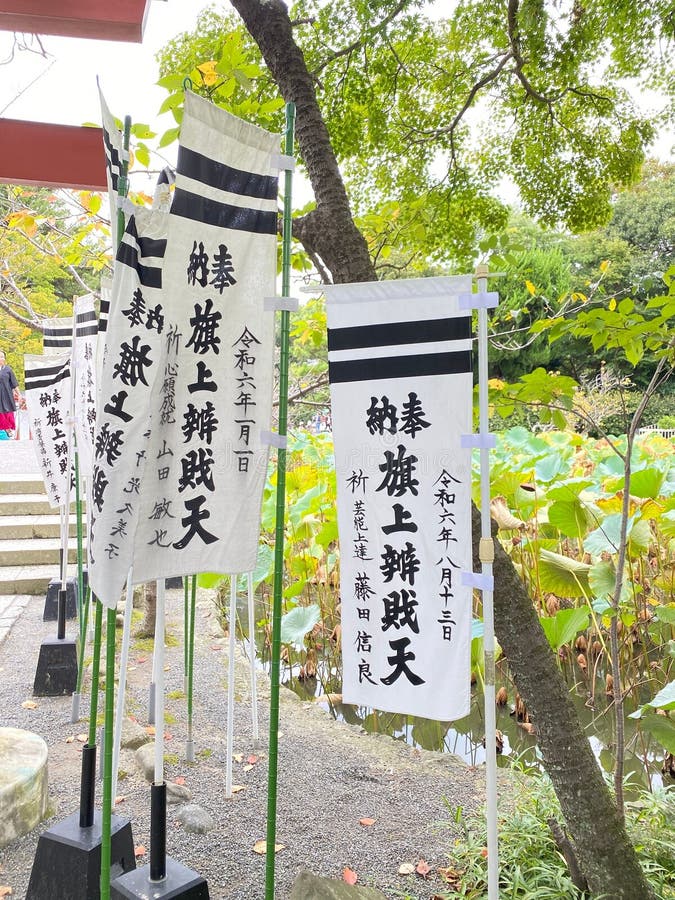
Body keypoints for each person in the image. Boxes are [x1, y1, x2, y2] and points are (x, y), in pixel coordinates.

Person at [0, 351, 19, 438]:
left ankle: (8, 428)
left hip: (6, 394)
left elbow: (14, 384)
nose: (1, 358)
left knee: (7, 411)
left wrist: (19, 395)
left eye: (2, 357)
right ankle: (6, 429)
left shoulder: (8, 370)